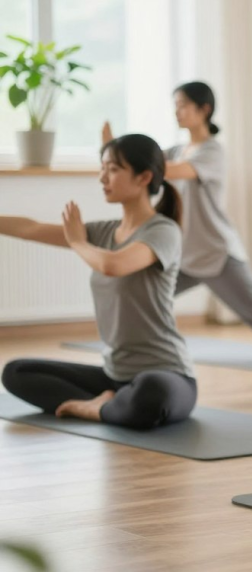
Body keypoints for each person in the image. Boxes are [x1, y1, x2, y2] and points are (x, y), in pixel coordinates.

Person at [103, 82, 252, 367]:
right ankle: (142, 351)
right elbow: (147, 164)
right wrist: (116, 155)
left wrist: (121, 155)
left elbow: (163, 169)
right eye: (175, 105)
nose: (177, 111)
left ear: (204, 109)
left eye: (182, 105)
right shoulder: (178, 149)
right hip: (183, 252)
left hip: (216, 251)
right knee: (141, 290)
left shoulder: (212, 152)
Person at [1, 134, 197, 429]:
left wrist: (78, 242)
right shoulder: (105, 232)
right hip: (114, 375)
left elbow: (112, 265)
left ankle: (100, 409)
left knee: (150, 395)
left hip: (167, 375)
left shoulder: (163, 231)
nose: (102, 177)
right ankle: (108, 404)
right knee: (16, 372)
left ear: (144, 177)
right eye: (102, 168)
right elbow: (32, 228)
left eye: (113, 169)